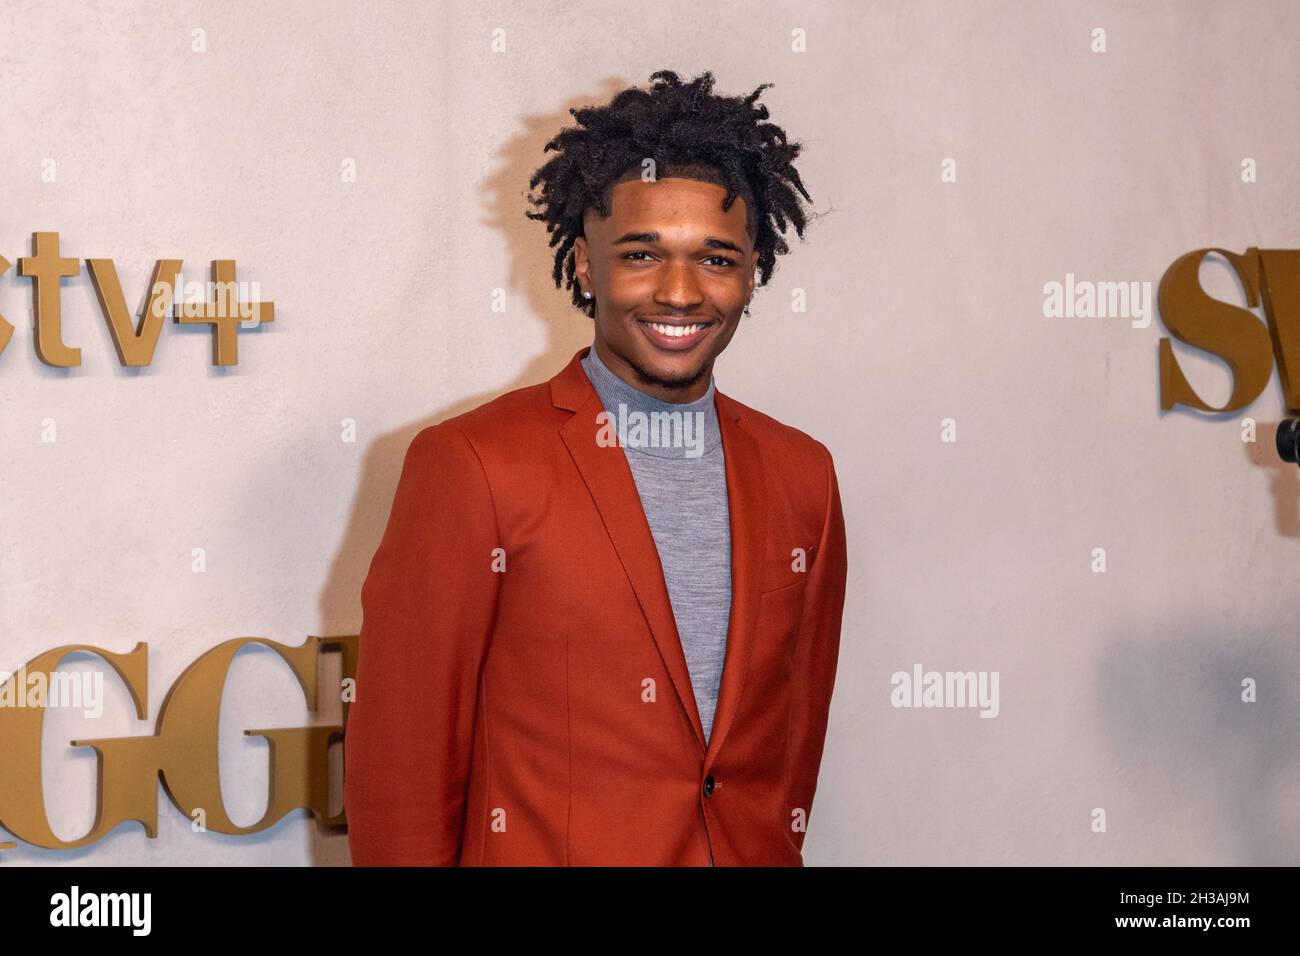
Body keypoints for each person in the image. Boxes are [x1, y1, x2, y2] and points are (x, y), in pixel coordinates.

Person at [343, 69, 847, 866]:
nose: (680, 293)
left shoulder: (802, 475)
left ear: (754, 270)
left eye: (715, 259)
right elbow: (400, 779)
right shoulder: (471, 466)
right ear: (584, 265)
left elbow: (792, 747)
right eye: (642, 254)